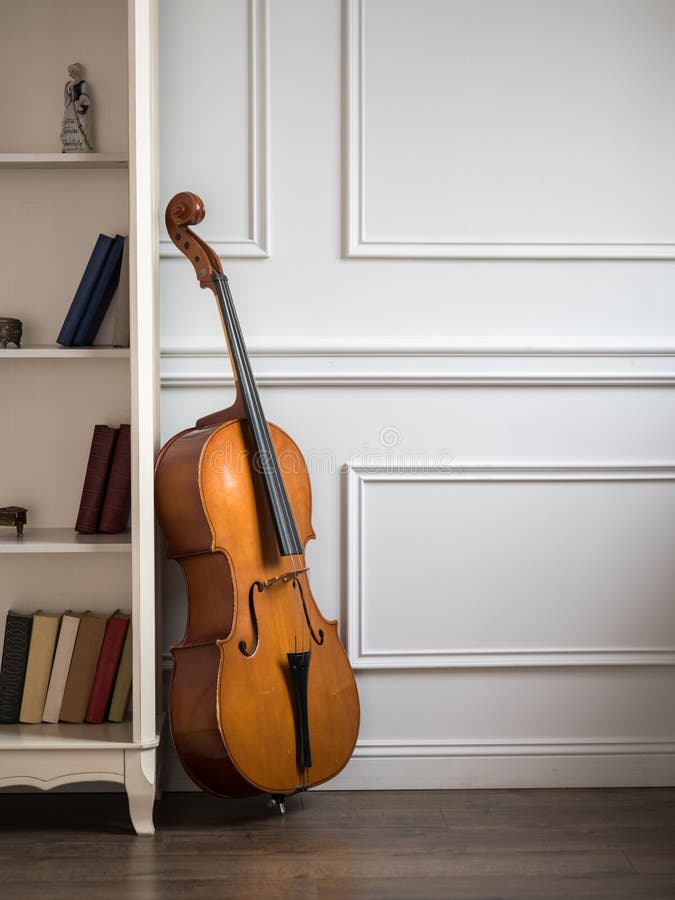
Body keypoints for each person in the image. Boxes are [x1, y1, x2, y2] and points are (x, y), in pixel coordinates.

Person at [60, 63, 92, 152]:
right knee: (69, 125)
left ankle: (80, 147)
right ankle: (70, 147)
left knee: (79, 126)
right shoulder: (71, 85)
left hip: (78, 107)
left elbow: (85, 97)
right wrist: (65, 88)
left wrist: (79, 104)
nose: (70, 74)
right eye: (69, 72)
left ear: (77, 71)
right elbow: (68, 99)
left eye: (72, 71)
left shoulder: (83, 84)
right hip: (71, 108)